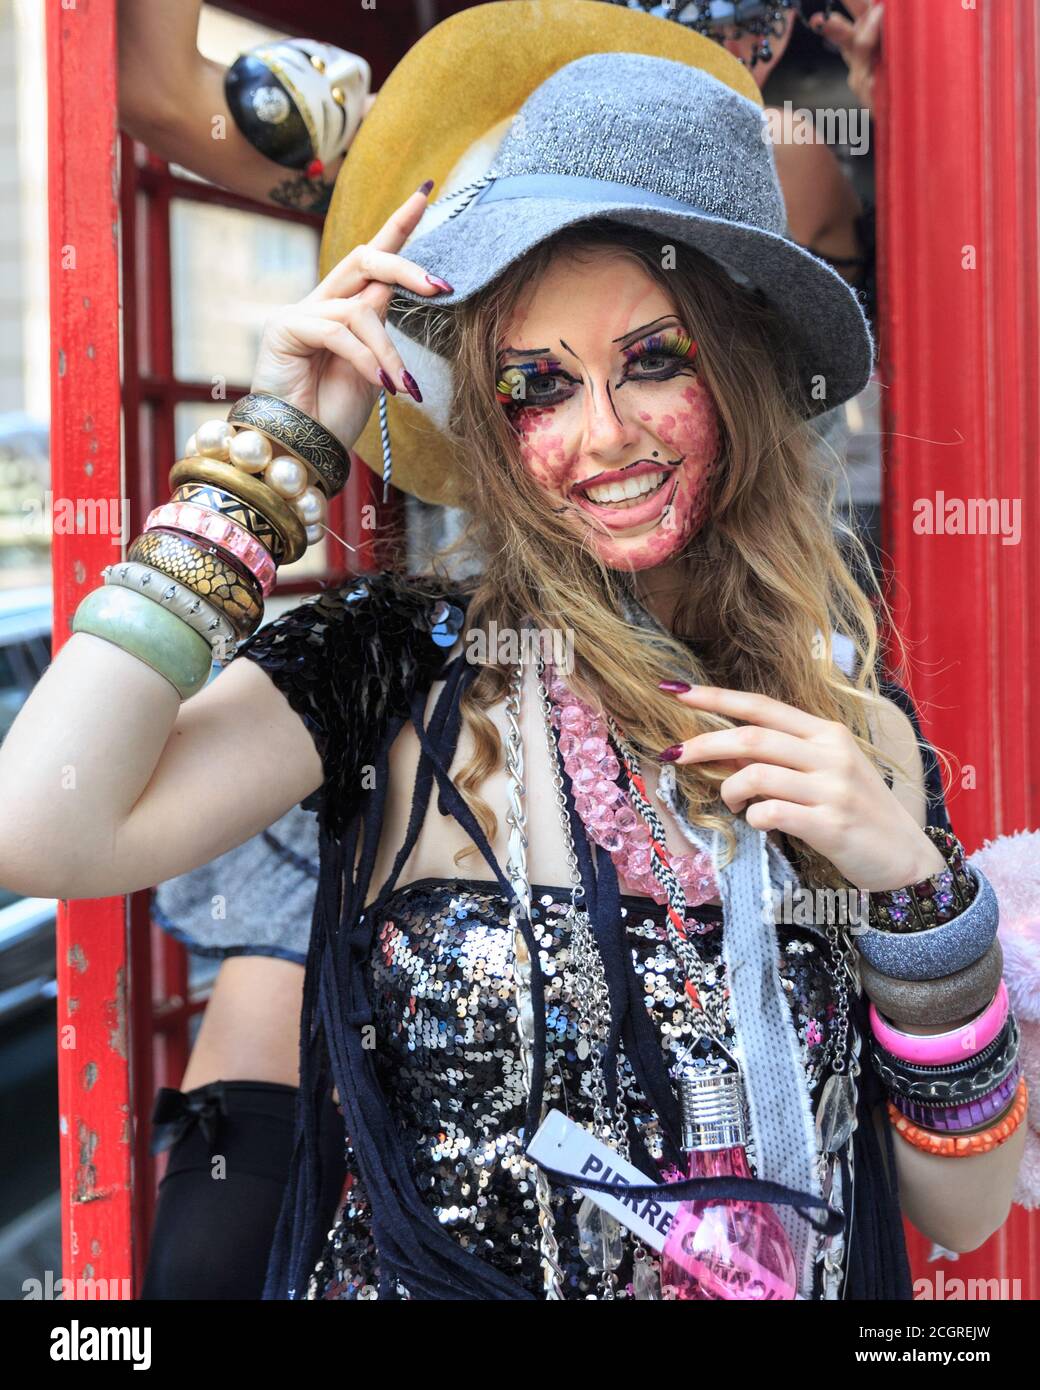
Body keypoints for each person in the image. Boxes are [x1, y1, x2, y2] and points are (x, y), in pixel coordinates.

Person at [13, 0, 1019, 1302]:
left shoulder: (854, 724)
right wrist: (273, 449)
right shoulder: (395, 672)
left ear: (752, 366)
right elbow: (39, 828)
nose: (599, 436)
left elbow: (964, 1204)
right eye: (537, 384)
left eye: (653, 360)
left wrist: (913, 893)